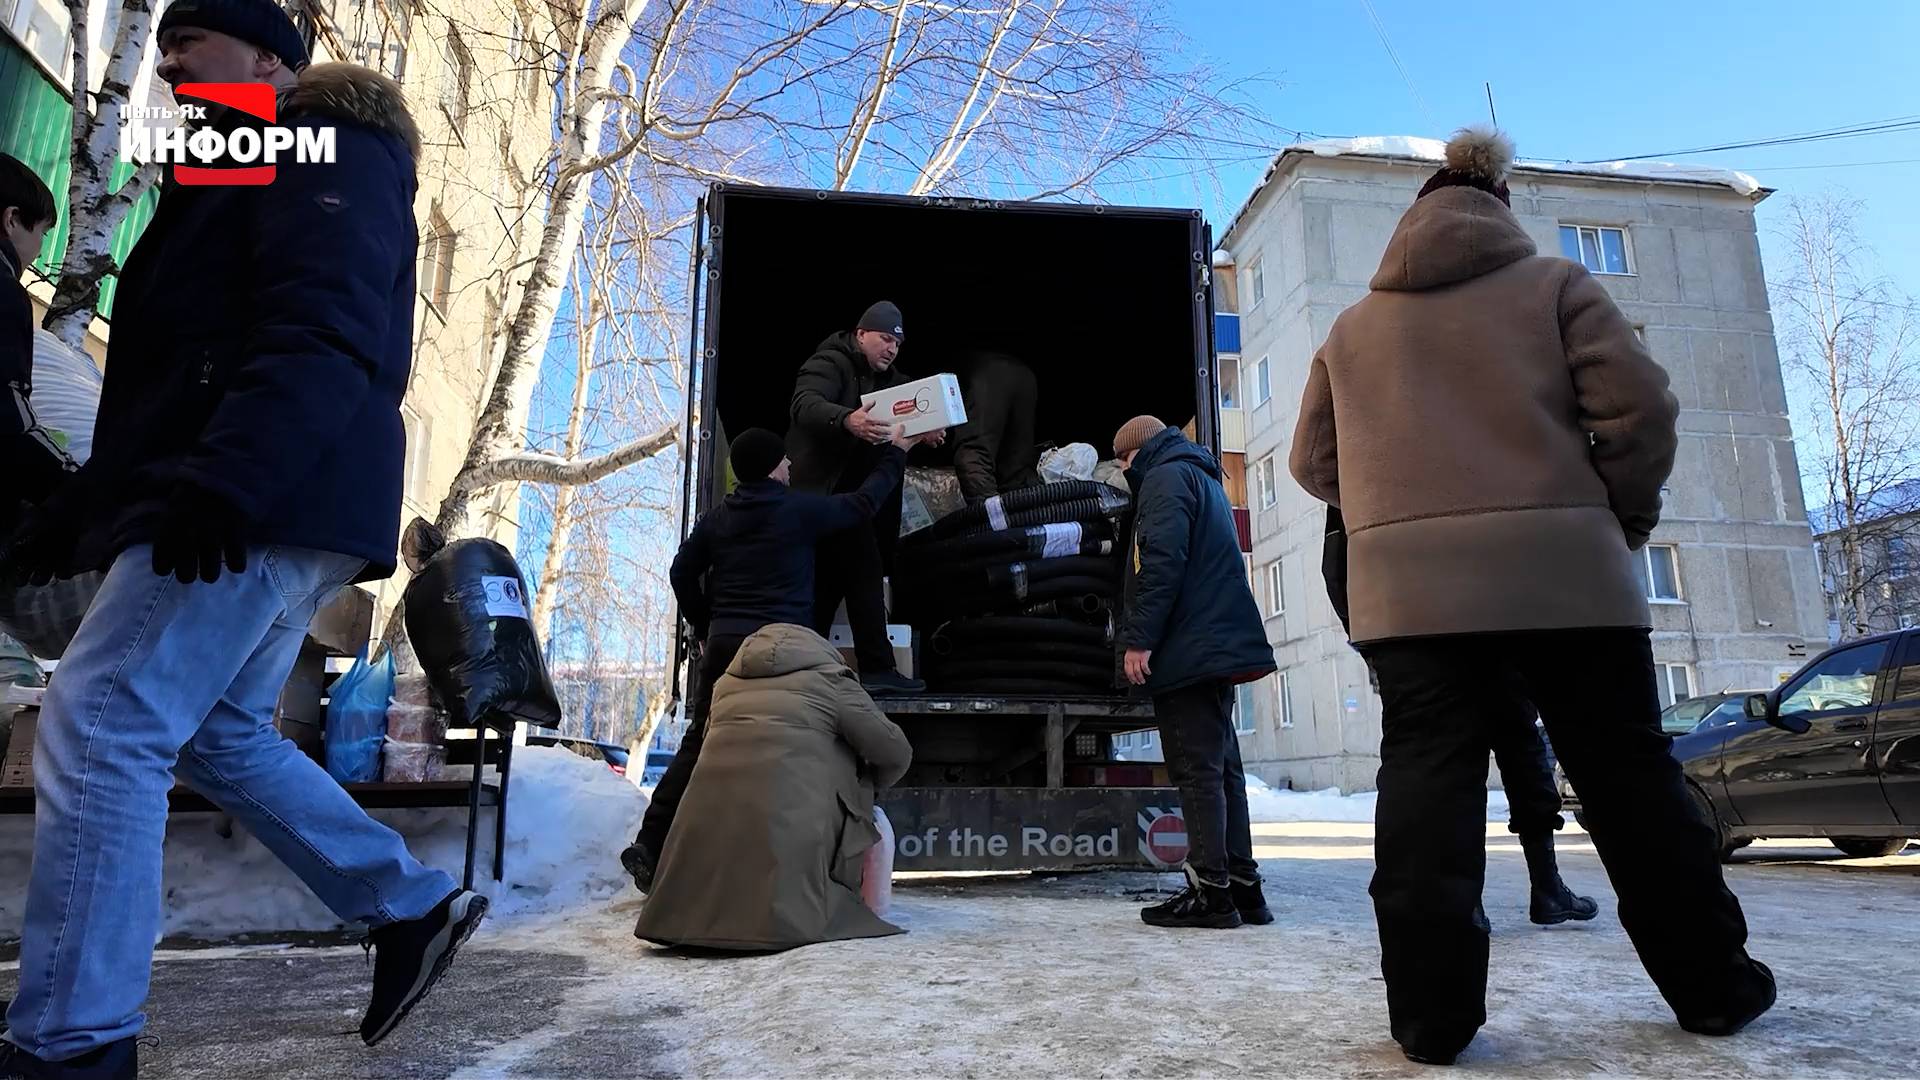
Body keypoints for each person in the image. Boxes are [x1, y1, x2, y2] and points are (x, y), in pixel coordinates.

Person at [0, 3, 484, 1073]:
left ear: (270, 61)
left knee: (104, 720)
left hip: (262, 493)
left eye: (194, 42)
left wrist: (229, 480)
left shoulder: (325, 147)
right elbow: (167, 387)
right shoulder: (225, 169)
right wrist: (72, 519)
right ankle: (405, 903)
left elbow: (326, 326)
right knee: (216, 729)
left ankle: (70, 1044)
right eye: (162, 44)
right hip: (261, 491)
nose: (171, 60)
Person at [1289, 126, 1773, 1065]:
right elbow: (1642, 411)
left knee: (1427, 786)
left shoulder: (1353, 331)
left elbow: (1313, 463)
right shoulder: (1557, 286)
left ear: (1409, 225)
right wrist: (1618, 519)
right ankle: (1714, 990)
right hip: (1570, 582)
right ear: (1500, 211)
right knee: (1628, 781)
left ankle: (1431, 1024)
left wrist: (1403, 515)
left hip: (1415, 599)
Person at [620, 425, 921, 892]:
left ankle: (649, 844)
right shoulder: (797, 509)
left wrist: (705, 624)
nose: (790, 466)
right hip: (783, 648)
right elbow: (861, 505)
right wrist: (897, 453)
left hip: (725, 646)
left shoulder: (719, 518)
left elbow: (681, 571)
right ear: (772, 467)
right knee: (796, 742)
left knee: (700, 742)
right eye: (784, 460)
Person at [1321, 505, 1598, 926]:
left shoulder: (1362, 449)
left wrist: (1366, 635)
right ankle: (1543, 885)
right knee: (1517, 744)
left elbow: (1335, 552)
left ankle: (1472, 900)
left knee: (1444, 758)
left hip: (1409, 624)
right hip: (1494, 613)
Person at [633, 623, 913, 951]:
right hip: (792, 909)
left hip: (683, 906)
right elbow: (896, 753)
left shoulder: (724, 687)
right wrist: (865, 787)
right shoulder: (831, 681)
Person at [1114, 415, 1277, 930]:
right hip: (1215, 645)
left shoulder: (1163, 478)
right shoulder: (1202, 476)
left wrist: (1139, 638)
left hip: (1189, 649)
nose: (1122, 471)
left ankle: (1211, 892)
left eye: (1123, 462)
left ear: (1136, 453)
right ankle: (1244, 887)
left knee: (1196, 770)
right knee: (1224, 770)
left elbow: (1160, 562)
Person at [787, 300, 944, 693]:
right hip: (823, 500)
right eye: (884, 339)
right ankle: (872, 669)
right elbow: (804, 406)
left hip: (856, 508)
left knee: (840, 586)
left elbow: (908, 416)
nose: (891, 348)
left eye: (897, 343)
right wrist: (846, 419)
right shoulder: (829, 362)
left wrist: (926, 431)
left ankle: (811, 672)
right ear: (860, 334)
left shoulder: (894, 382)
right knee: (858, 578)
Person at [0, 154, 81, 540]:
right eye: (43, 233)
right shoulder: (4, 294)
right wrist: (76, 490)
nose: (38, 249)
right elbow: (7, 421)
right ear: (12, 220)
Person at [951, 349, 1040, 503]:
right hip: (1021, 368)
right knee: (1016, 467)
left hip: (988, 367)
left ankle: (997, 517)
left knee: (978, 456)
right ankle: (1013, 516)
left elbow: (973, 458)